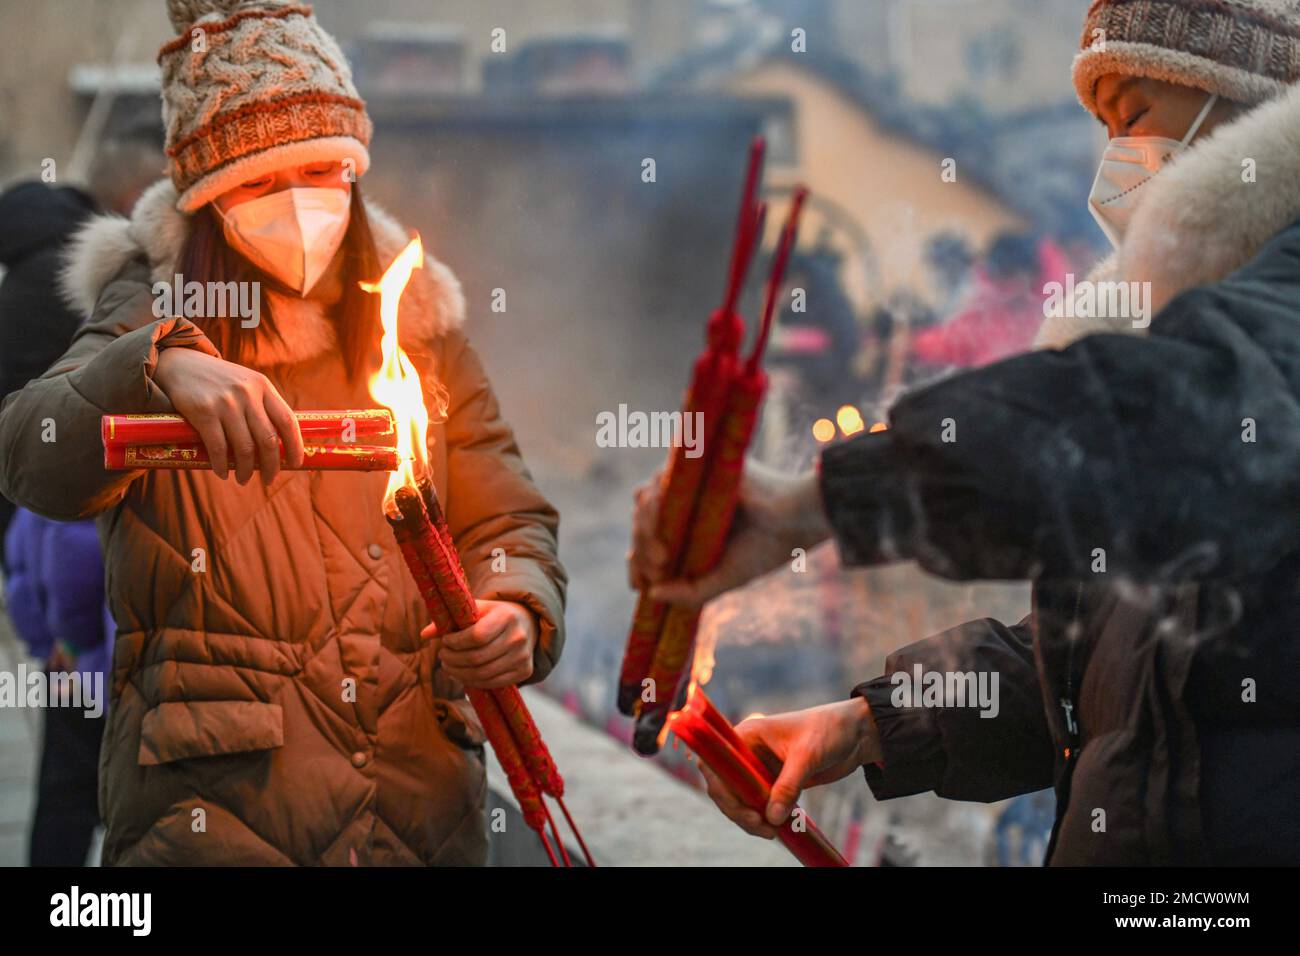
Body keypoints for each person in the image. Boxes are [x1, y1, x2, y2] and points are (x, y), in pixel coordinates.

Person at [629, 0, 1300, 866]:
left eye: (1132, 116)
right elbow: (1091, 675)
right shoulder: (1167, 346)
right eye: (1100, 127)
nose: (1115, 162)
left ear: (1254, 113)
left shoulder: (1248, 346)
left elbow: (1140, 418)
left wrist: (826, 502)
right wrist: (872, 724)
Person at [0, 0, 566, 866]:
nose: (303, 204)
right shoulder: (153, 304)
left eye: (327, 170)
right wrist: (154, 366)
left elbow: (507, 517)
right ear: (212, 200)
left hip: (419, 811)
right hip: (217, 810)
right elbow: (31, 456)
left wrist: (517, 607)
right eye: (262, 181)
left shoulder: (416, 328)